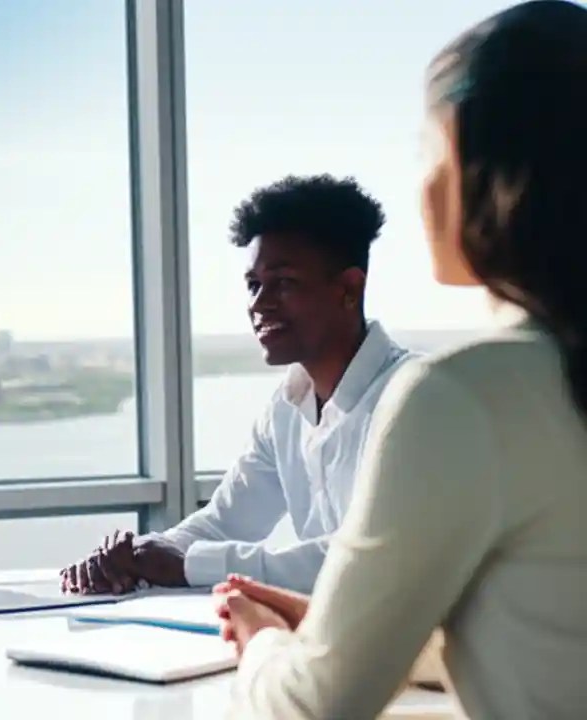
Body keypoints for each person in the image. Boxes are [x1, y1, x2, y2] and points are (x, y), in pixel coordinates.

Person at [218, 2, 587, 717]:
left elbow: (313, 706)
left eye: (428, 153)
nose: (420, 186)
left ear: (484, 173)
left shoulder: (461, 395)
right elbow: (551, 629)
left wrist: (261, 640)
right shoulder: (541, 378)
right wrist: (337, 630)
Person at [62, 175, 414, 594]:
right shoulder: (287, 408)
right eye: (253, 285)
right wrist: (135, 556)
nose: (259, 303)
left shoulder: (413, 399)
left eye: (283, 283)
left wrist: (189, 565)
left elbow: (370, 558)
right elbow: (224, 521)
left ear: (349, 289)